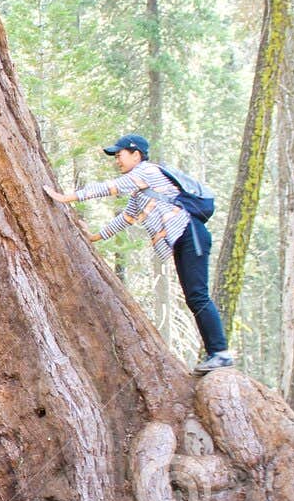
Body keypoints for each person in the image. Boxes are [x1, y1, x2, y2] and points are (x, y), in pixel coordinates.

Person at [45, 133, 235, 374]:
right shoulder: (141, 191)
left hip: (191, 236)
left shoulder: (146, 173)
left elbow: (108, 188)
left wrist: (65, 198)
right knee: (194, 296)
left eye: (120, 154)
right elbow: (125, 218)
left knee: (197, 296)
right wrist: (94, 237)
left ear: (136, 154)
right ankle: (216, 352)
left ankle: (220, 353)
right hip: (184, 239)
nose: (117, 160)